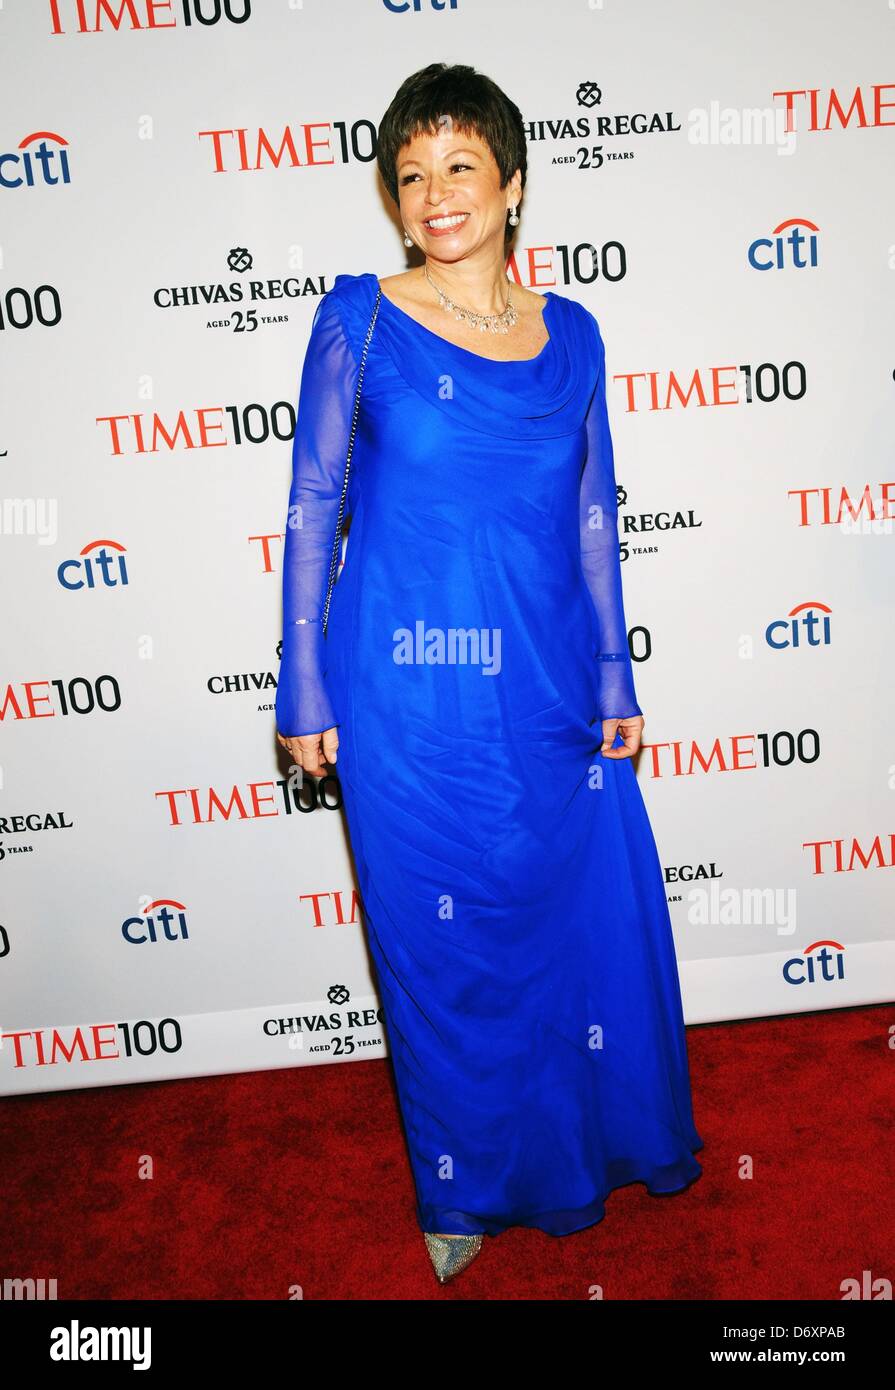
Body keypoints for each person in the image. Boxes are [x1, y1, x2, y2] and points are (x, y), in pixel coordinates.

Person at [275, 62, 703, 1286]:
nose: (434, 192)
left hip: (550, 688)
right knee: (438, 946)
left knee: (576, 935)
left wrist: (615, 678)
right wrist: (302, 685)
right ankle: (458, 1188)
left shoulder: (572, 333)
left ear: (512, 185)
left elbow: (588, 517)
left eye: (459, 165)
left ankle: (588, 1149)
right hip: (402, 694)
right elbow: (314, 503)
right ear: (392, 200)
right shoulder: (358, 318)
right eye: (410, 173)